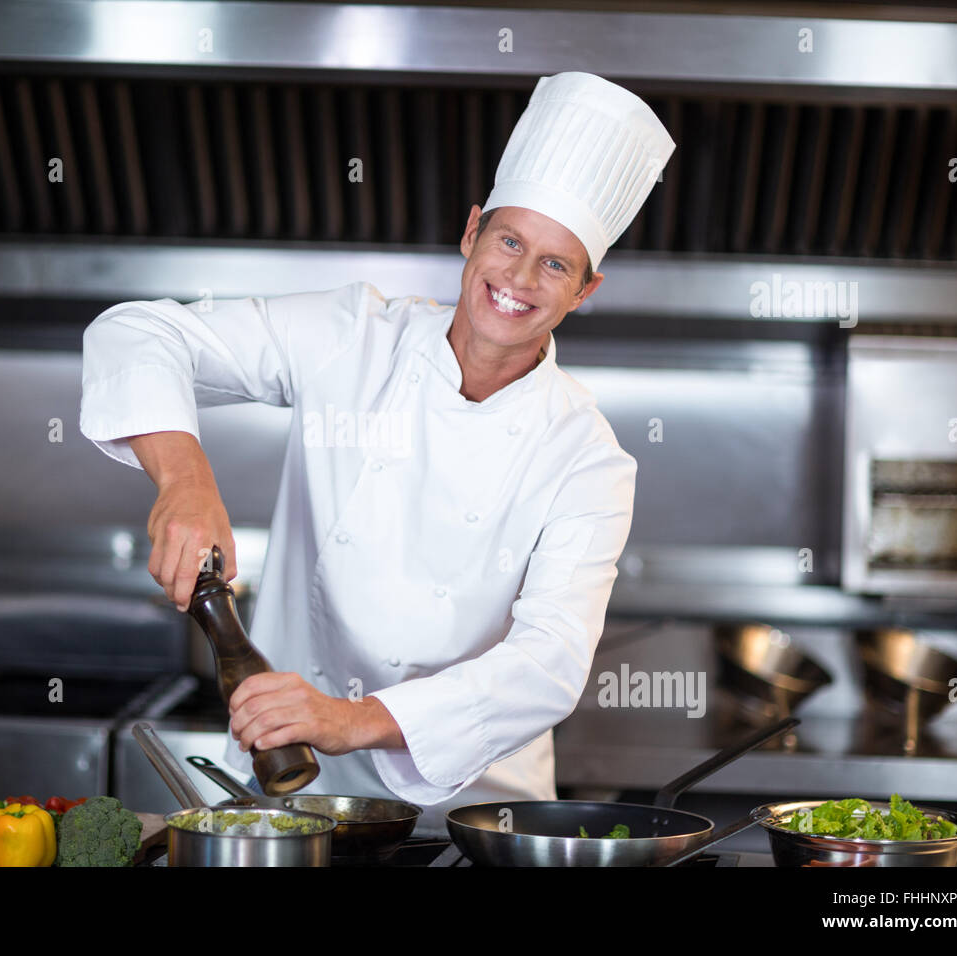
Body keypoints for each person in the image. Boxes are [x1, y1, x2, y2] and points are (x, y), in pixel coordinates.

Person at [80, 72, 675, 835]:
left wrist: (351, 717)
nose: (520, 279)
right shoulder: (351, 336)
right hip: (294, 798)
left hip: (476, 822)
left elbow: (548, 664)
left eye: (556, 265)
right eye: (510, 241)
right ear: (471, 233)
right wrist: (184, 480)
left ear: (585, 290)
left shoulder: (589, 458)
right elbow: (136, 333)